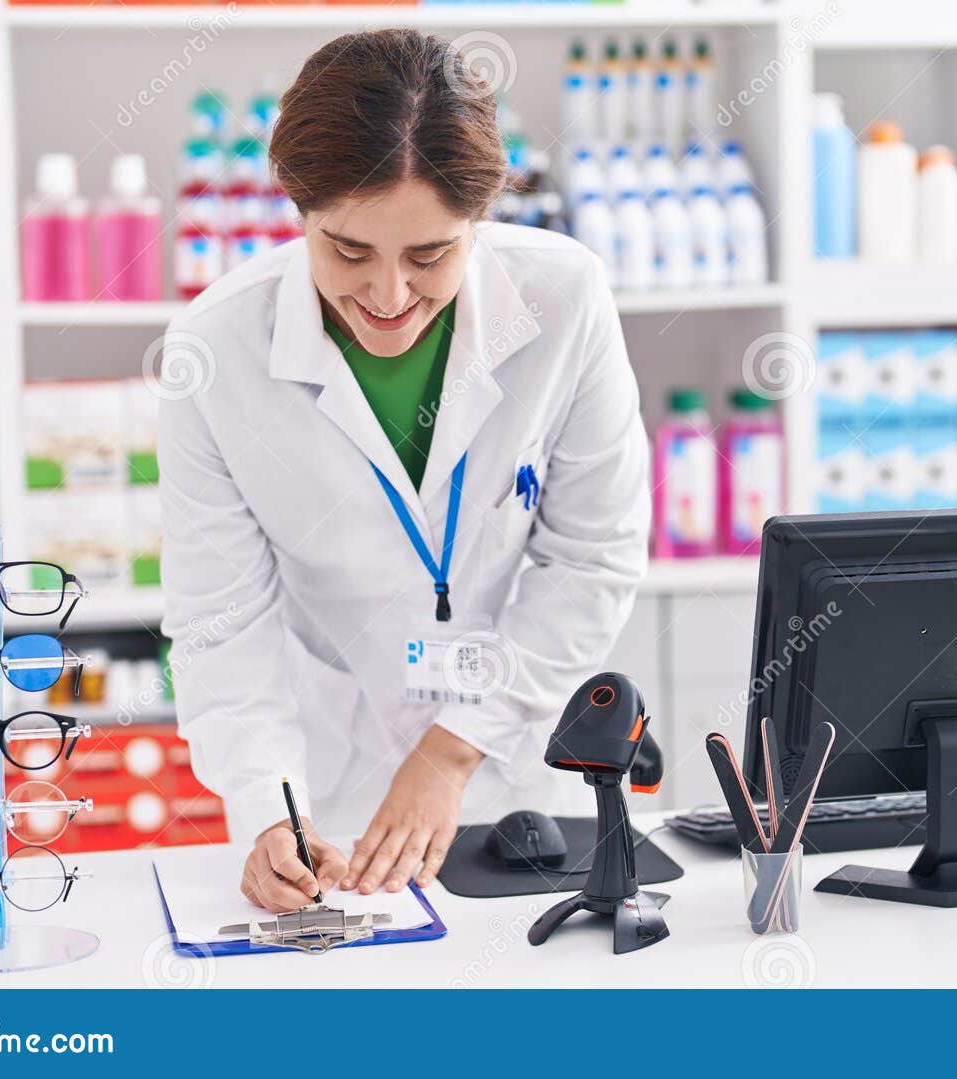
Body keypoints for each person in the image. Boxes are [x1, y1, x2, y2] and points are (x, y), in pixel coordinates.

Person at [157, 30, 649, 912]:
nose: (388, 297)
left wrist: (454, 746)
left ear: (481, 220)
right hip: (328, 801)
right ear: (296, 211)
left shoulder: (564, 299)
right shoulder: (214, 351)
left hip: (518, 777)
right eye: (347, 252)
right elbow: (221, 620)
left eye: (431, 256)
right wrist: (269, 806)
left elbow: (593, 557)